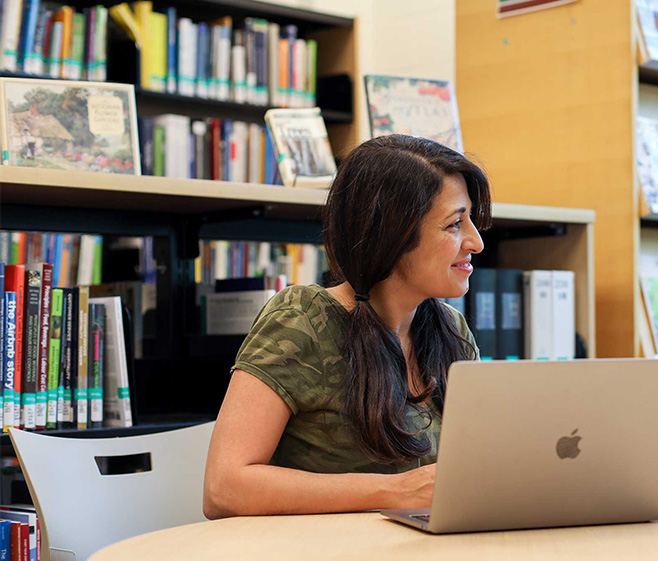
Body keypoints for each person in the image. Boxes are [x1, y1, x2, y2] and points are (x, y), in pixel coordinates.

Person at [203, 135, 492, 518]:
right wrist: (396, 491)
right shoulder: (302, 319)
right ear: (392, 234)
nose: (475, 242)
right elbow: (224, 489)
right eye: (455, 224)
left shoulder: (451, 330)